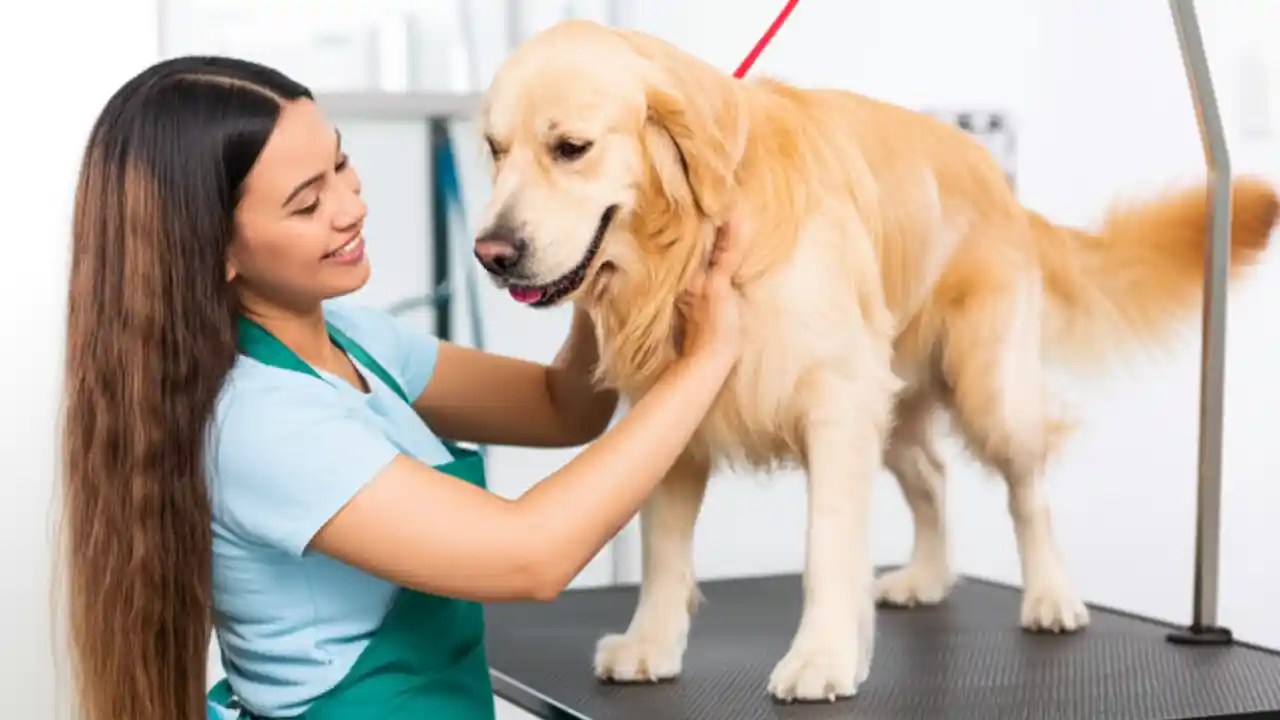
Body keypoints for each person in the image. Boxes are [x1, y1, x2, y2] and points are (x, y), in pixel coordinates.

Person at [60, 55, 746, 720]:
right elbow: (533, 555)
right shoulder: (261, 422)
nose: (351, 205)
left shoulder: (353, 340)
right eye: (306, 203)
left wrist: (587, 248)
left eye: (340, 163)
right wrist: (707, 357)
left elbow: (562, 407)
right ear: (215, 250)